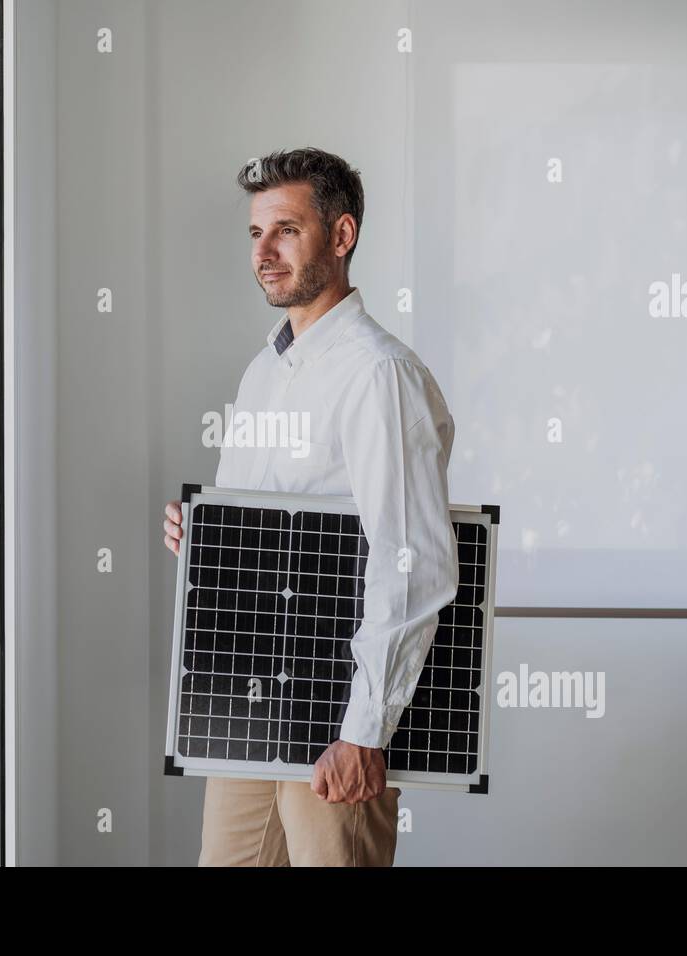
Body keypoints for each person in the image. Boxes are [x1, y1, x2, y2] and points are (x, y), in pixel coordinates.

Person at [163, 147, 459, 866]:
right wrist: (207, 537)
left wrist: (365, 731)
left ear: (342, 235)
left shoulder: (378, 374)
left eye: (286, 230)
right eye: (256, 234)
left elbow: (410, 562)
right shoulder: (264, 370)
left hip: (335, 716)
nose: (263, 252)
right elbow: (275, 525)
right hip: (247, 710)